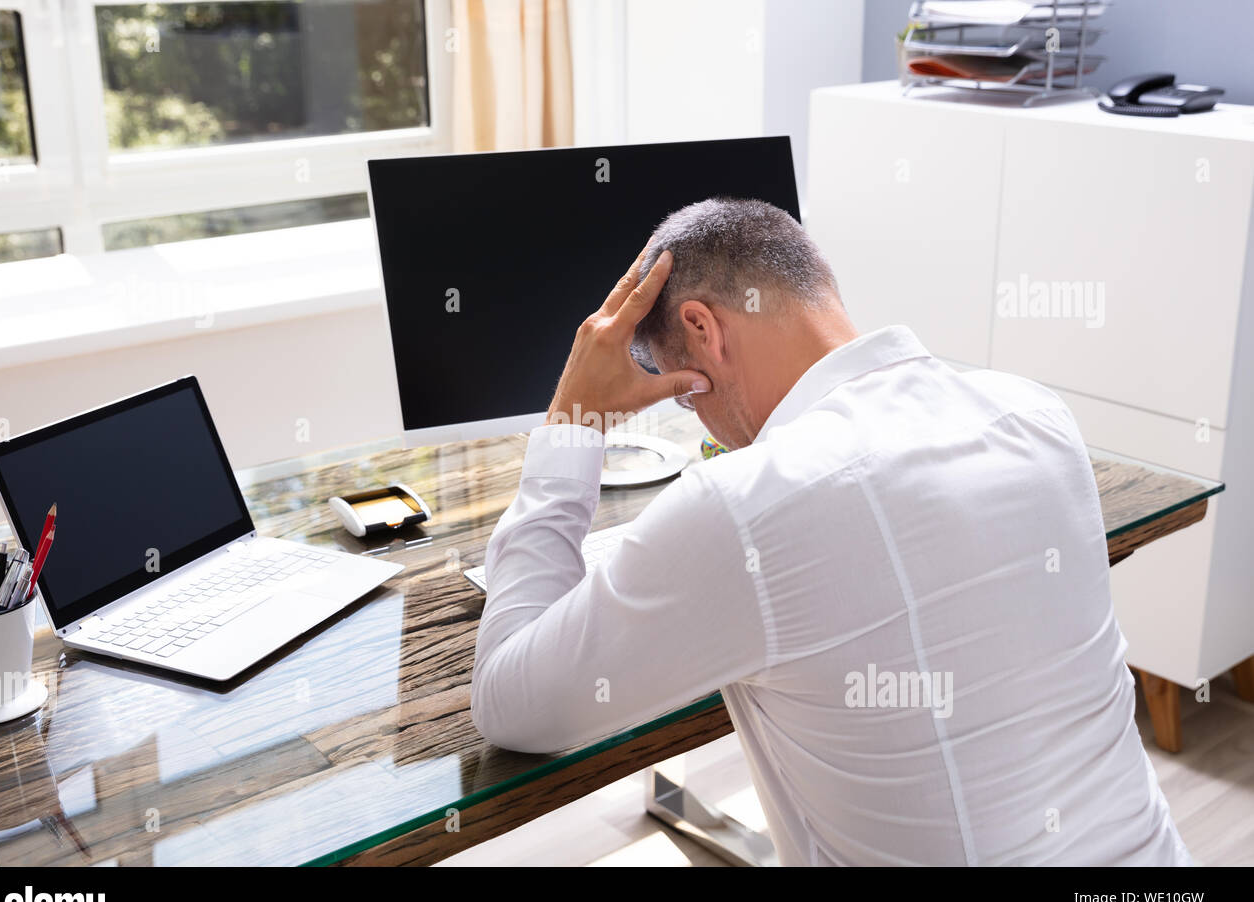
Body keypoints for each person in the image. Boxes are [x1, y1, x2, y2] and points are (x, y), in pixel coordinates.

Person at [470, 197, 1190, 866]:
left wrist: (572, 424)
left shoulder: (742, 508)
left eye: (679, 392)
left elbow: (510, 704)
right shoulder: (1035, 413)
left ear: (701, 328)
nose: (697, 418)